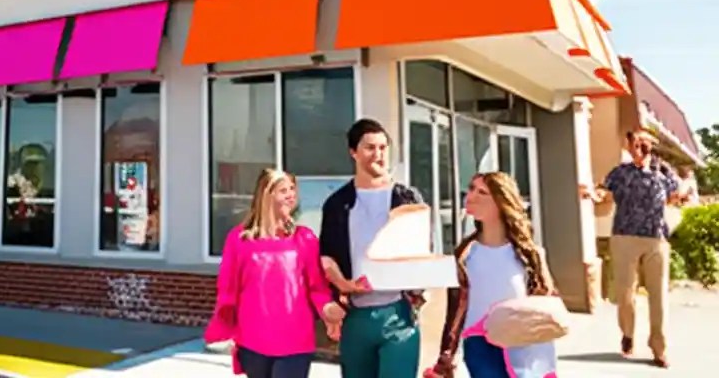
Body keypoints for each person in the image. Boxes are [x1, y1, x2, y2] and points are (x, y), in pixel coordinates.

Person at [206, 168, 346, 378]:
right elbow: (228, 288)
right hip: (253, 340)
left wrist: (329, 311)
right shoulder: (239, 240)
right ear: (266, 195)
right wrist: (224, 324)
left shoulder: (304, 239)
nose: (291, 195)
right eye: (283, 190)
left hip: (295, 341)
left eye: (292, 189)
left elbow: (317, 288)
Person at [319, 118, 425, 378]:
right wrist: (343, 284)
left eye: (383, 147)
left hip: (398, 312)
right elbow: (327, 256)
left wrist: (419, 293)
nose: (378, 155)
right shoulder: (337, 203)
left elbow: (423, 253)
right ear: (353, 152)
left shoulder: (407, 198)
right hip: (356, 314)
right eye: (370, 148)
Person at [430, 172, 560, 378]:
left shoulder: (528, 254)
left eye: (482, 192)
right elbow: (454, 310)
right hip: (479, 341)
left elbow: (547, 302)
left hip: (523, 342)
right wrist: (447, 353)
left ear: (501, 201)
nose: (471, 196)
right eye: (471, 189)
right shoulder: (465, 254)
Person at [579, 130, 688, 368]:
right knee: (626, 294)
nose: (637, 148)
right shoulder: (621, 173)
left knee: (658, 296)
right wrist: (592, 195)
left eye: (642, 143)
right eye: (633, 144)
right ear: (629, 147)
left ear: (650, 146)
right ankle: (627, 334)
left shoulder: (664, 171)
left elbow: (672, 197)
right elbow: (604, 193)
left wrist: (680, 197)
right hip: (624, 237)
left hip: (656, 238)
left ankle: (659, 349)